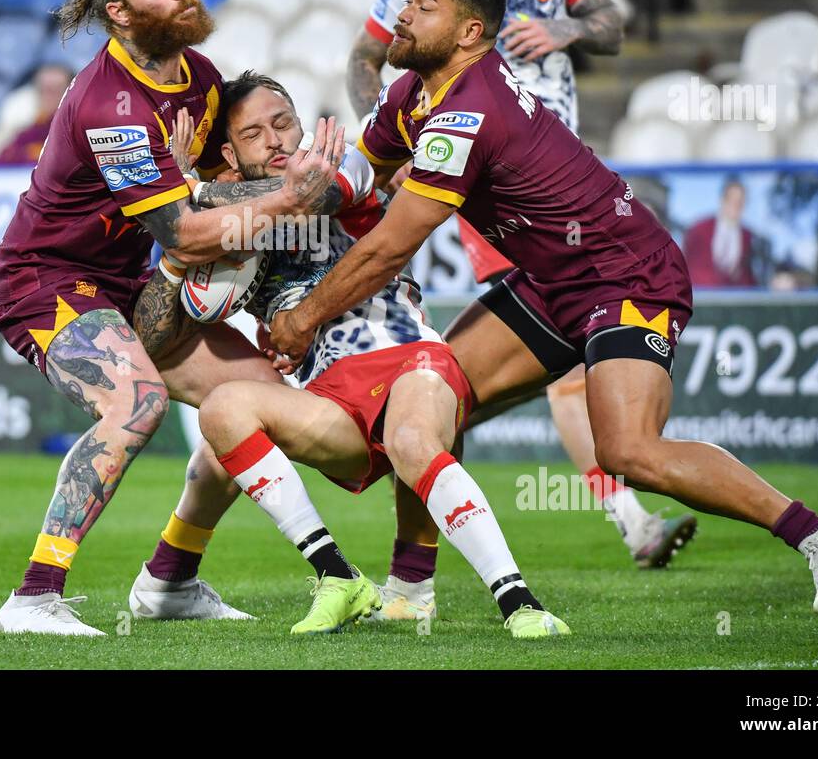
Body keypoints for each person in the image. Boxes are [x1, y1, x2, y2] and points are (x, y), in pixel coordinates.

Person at [270, 0, 818, 618]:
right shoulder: (413, 93)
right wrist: (313, 188)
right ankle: (411, 592)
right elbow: (361, 172)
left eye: (425, 4)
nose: (405, 13)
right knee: (432, 386)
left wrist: (303, 320)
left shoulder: (468, 112)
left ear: (470, 33)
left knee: (628, 450)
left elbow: (389, 247)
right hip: (552, 280)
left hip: (625, 275)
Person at [345, 0, 683, 618]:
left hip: (557, 170)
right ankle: (626, 517)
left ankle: (418, 565)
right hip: (484, 181)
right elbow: (367, 55)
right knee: (546, 368)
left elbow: (612, 24)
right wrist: (387, 130)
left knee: (471, 379)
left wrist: (566, 32)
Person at [0, 0, 347, 636]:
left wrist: (286, 186)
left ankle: (170, 579)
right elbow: (186, 232)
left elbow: (224, 192)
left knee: (253, 408)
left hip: (128, 282)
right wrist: (297, 197)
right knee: (137, 401)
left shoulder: (202, 77)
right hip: (49, 280)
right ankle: (32, 599)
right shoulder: (110, 104)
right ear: (119, 12)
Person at [134, 70, 571, 637]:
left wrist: (183, 191)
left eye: (283, 123)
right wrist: (180, 238)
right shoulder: (230, 235)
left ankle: (520, 605)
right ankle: (337, 577)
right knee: (222, 411)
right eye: (254, 134)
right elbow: (156, 336)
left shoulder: (344, 166)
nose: (275, 141)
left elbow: (312, 192)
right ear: (230, 153)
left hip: (413, 362)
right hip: (332, 401)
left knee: (412, 440)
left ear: (304, 126)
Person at [0, 63, 74, 165]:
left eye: (55, 89)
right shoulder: (27, 132)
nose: (48, 96)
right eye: (43, 89)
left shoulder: (77, 132)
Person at [682, 178, 759, 289]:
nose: (736, 205)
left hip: (734, 301)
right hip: (699, 299)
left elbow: (749, 277)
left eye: (740, 201)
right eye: (731, 200)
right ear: (722, 200)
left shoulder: (748, 237)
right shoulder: (699, 229)